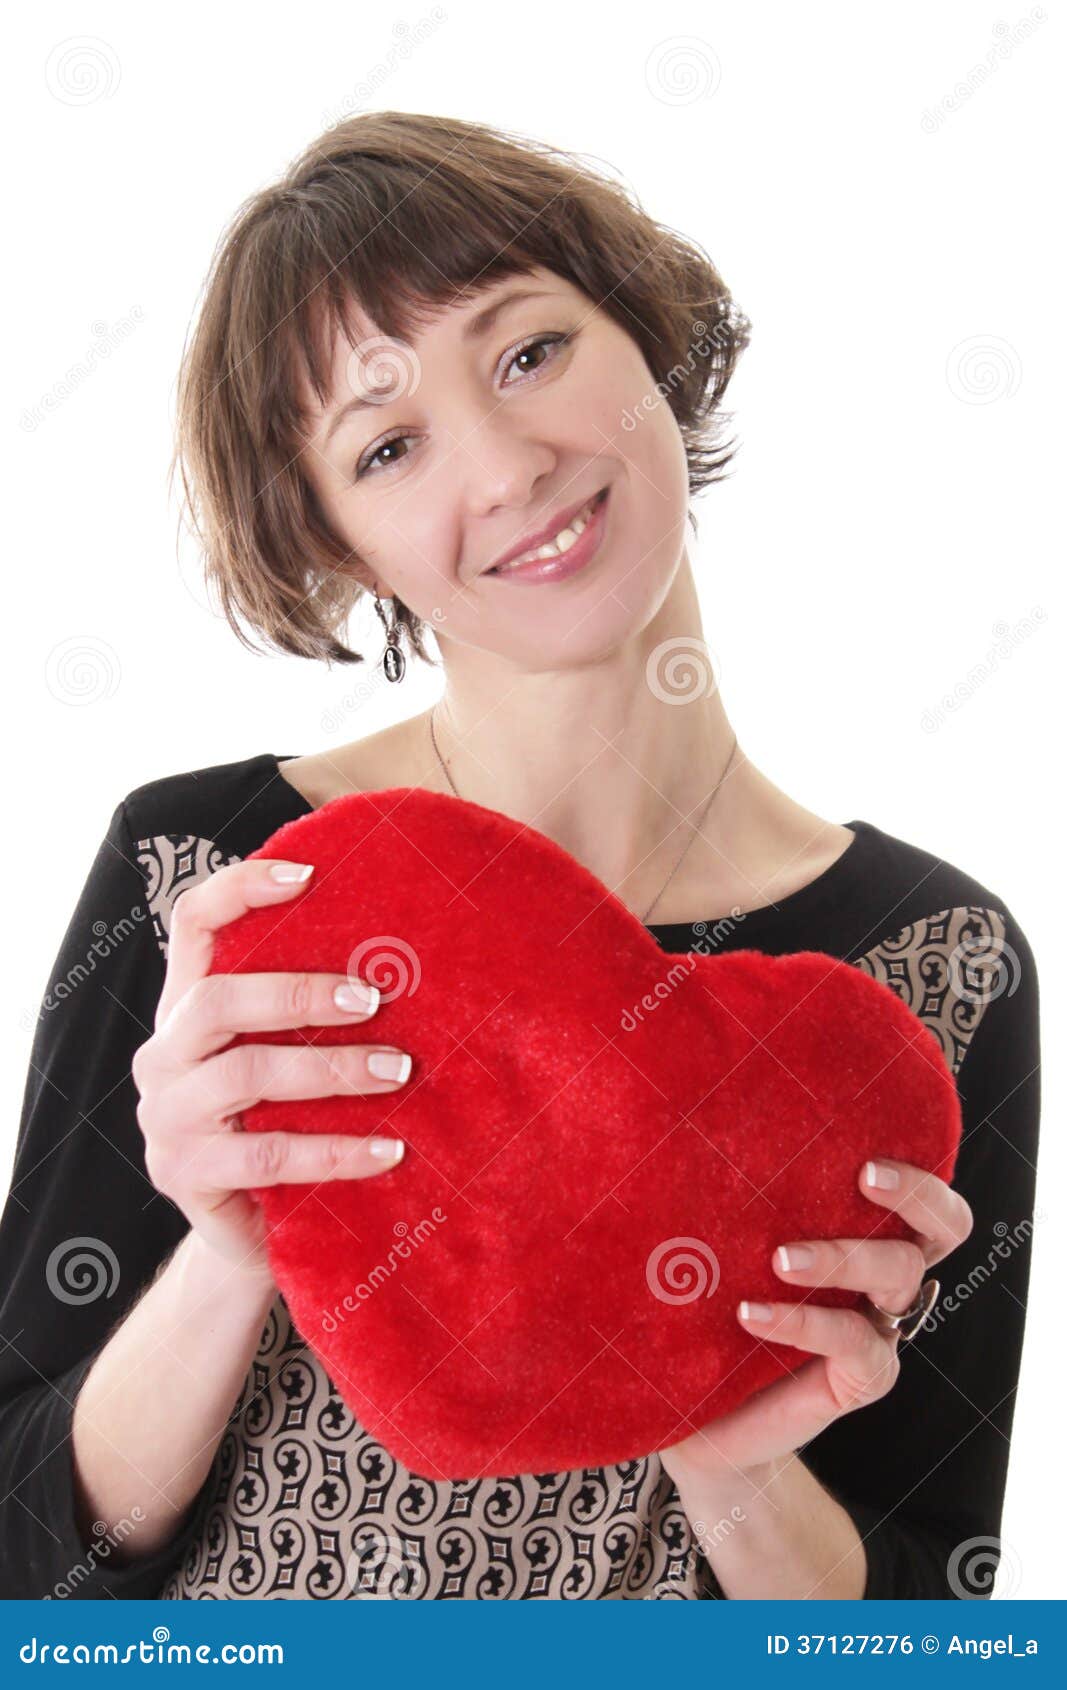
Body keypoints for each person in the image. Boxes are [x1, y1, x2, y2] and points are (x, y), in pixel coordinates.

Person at [0, 111, 1041, 1601]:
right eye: (389, 444)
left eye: (530, 351)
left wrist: (732, 1453)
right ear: (341, 543)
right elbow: (21, 1552)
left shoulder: (940, 964)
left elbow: (927, 1622)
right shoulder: (218, 888)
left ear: (654, 342)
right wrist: (230, 1248)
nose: (504, 466)